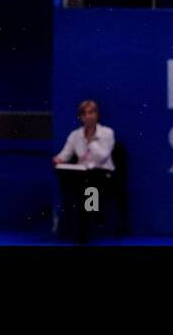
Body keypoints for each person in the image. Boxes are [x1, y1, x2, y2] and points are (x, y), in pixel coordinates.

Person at [52, 99, 116, 243]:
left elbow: (102, 157)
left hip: (103, 173)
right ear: (81, 117)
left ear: (97, 115)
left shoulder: (107, 133)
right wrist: (58, 160)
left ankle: (89, 222)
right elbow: (65, 154)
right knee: (80, 186)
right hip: (82, 175)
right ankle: (83, 223)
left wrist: (91, 141)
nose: (89, 116)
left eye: (92, 112)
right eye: (85, 114)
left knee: (88, 187)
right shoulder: (75, 135)